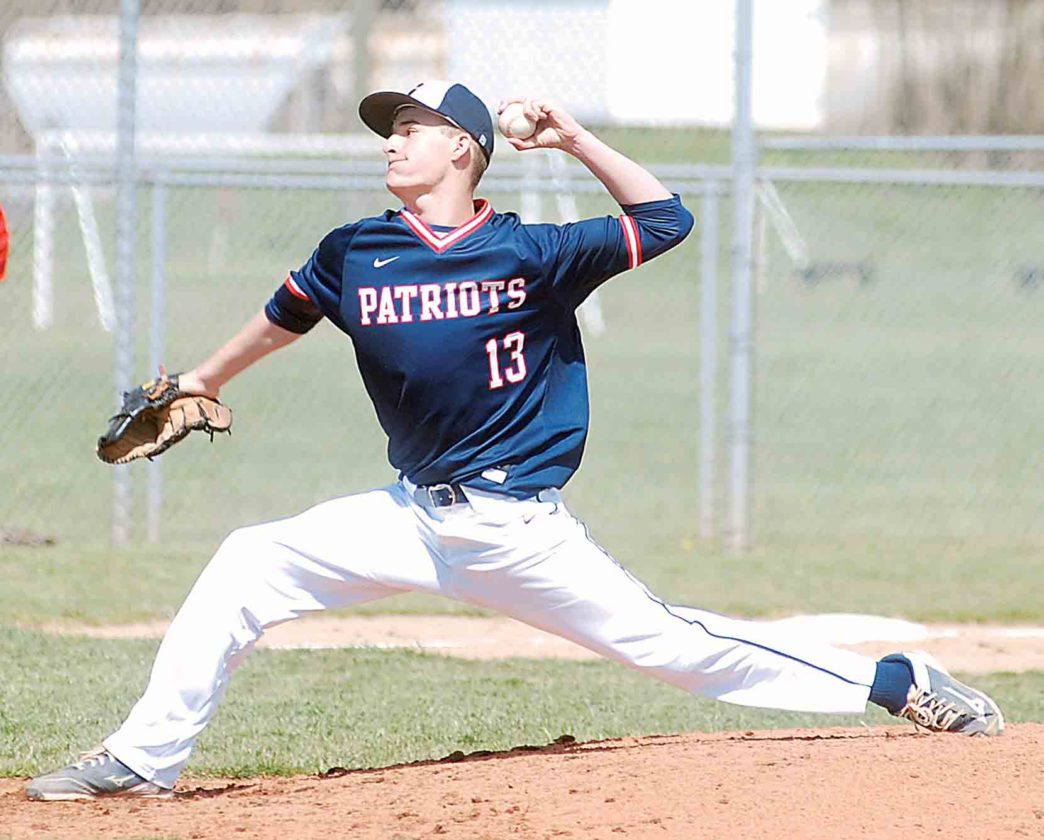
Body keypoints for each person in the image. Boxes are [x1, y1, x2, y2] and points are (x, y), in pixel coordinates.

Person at [27, 81, 1002, 801]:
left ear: (465, 148)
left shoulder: (532, 252)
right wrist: (202, 380)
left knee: (679, 650)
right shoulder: (353, 250)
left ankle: (898, 680)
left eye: (410, 129)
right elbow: (284, 316)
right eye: (389, 133)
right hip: (411, 514)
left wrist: (576, 138)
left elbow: (665, 219)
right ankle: (144, 758)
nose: (391, 144)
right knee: (249, 562)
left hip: (513, 527)